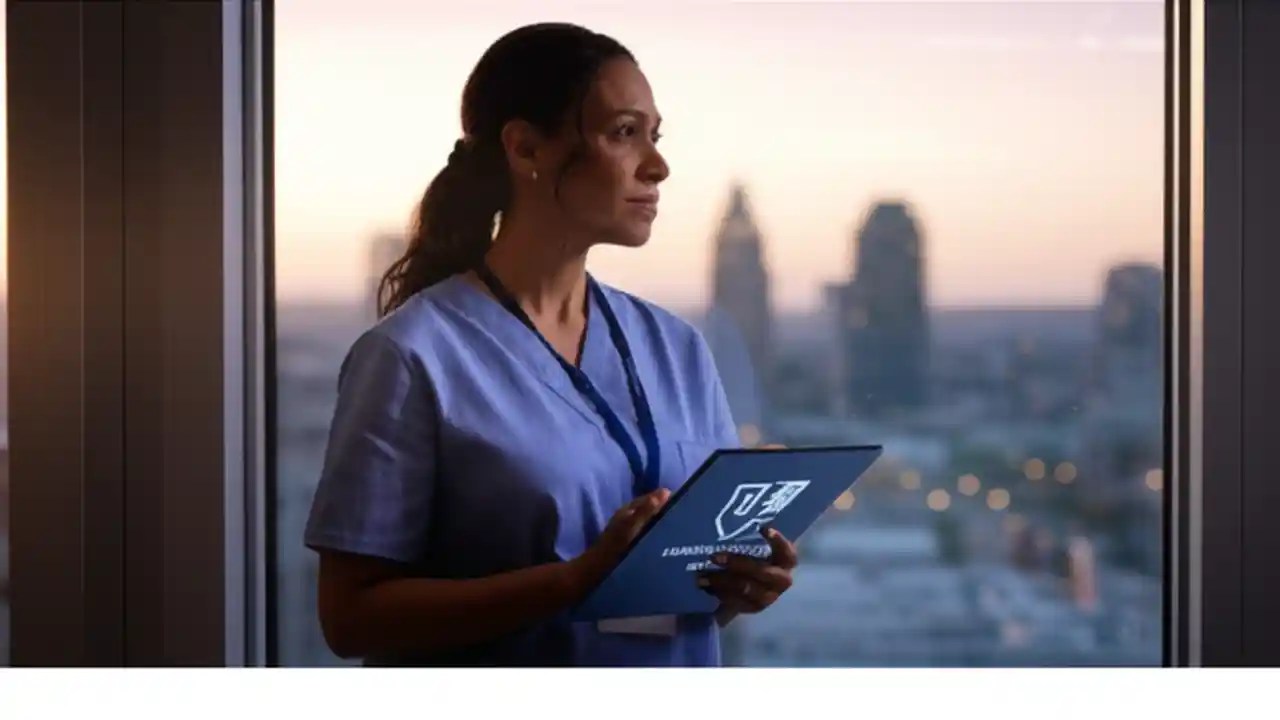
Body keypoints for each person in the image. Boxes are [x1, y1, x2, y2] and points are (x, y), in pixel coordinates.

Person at [304, 21, 799, 667]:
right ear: (527, 148)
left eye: (654, 135)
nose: (658, 165)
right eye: (624, 133)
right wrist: (570, 583)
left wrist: (742, 585)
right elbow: (351, 620)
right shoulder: (412, 355)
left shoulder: (676, 348)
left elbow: (686, 593)